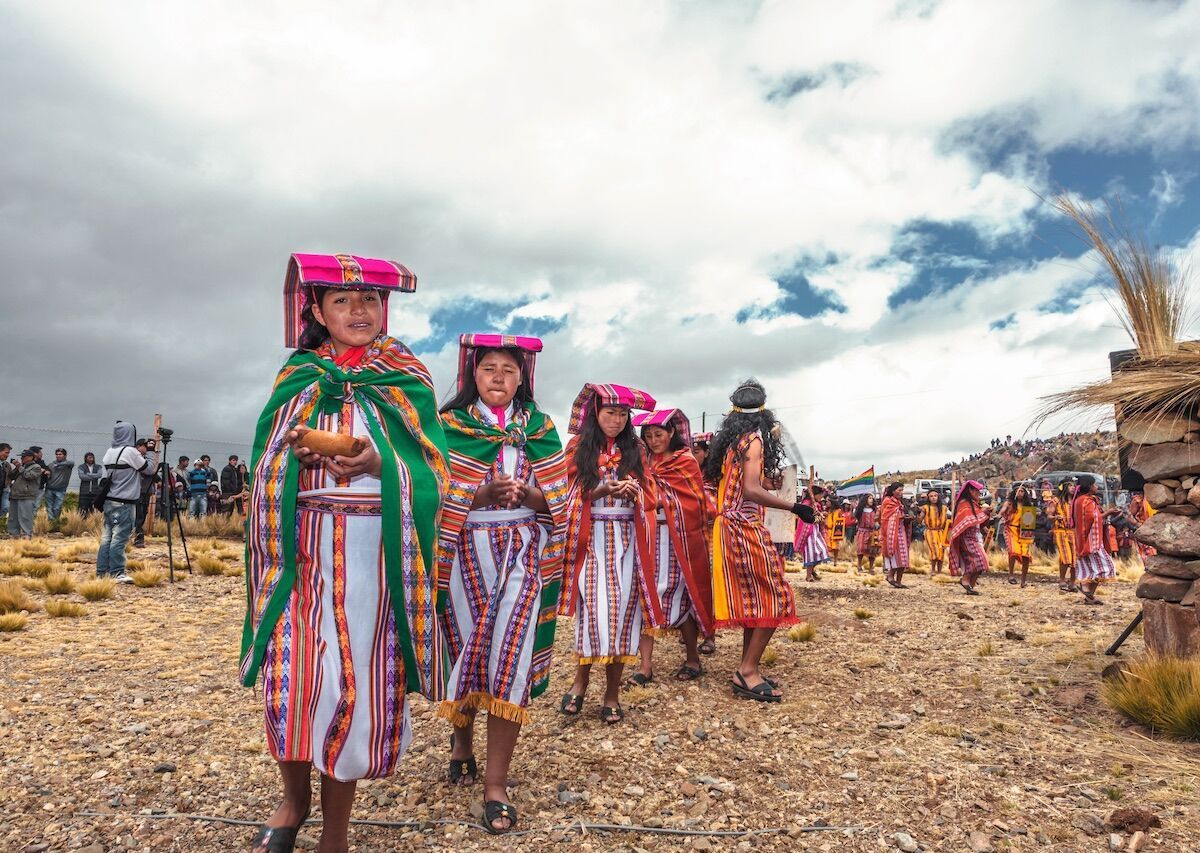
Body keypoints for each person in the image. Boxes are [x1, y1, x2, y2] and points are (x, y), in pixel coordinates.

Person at [242, 252, 448, 853]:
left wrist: (382, 464)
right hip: (300, 556)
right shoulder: (299, 376)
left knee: (347, 689)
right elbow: (265, 459)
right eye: (342, 301)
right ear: (316, 309)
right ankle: (294, 799)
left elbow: (433, 470)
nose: (359, 310)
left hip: (369, 561)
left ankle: (336, 833)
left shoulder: (406, 376)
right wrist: (292, 459)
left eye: (370, 301)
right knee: (296, 681)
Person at [436, 333, 568, 833]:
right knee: (469, 650)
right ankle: (462, 740)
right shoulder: (449, 427)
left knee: (508, 657)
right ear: (473, 374)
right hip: (466, 552)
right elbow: (431, 492)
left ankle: (496, 785)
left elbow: (563, 494)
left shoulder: (540, 427)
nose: (498, 376)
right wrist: (479, 494)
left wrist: (532, 498)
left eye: (508, 370)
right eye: (488, 367)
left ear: (522, 377)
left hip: (523, 552)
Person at [558, 382, 658, 725]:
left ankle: (612, 692)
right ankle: (580, 680)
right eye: (609, 412)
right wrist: (600, 489)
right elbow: (564, 496)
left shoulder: (637, 449)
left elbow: (652, 496)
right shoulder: (577, 447)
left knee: (624, 614)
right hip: (590, 539)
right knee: (592, 612)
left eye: (622, 413)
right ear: (594, 414)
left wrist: (635, 495)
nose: (616, 420)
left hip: (628, 540)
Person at [702, 380, 808, 703]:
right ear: (764, 413)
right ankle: (748, 671)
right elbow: (749, 490)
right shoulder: (755, 442)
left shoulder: (735, 441)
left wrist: (767, 482)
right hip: (743, 526)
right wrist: (793, 506)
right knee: (776, 598)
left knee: (757, 600)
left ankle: (747, 668)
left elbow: (746, 482)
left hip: (730, 525)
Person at [629, 408, 714, 685]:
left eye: (659, 434)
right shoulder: (641, 462)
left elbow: (695, 501)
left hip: (679, 542)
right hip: (649, 539)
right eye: (649, 435)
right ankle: (645, 666)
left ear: (671, 433)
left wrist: (655, 493)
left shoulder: (684, 461)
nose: (654, 440)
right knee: (646, 597)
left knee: (683, 597)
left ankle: (692, 658)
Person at [98, 423, 158, 582]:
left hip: (110, 500)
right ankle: (117, 573)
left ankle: (102, 572)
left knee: (107, 538)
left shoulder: (110, 452)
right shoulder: (130, 452)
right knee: (120, 537)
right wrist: (151, 451)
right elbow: (150, 469)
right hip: (124, 502)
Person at [1072, 475, 1116, 605]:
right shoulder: (1087, 501)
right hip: (1092, 541)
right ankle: (1085, 587)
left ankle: (1089, 596)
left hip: (1084, 539)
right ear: (1089, 487)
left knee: (1091, 568)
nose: (1097, 487)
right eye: (1095, 484)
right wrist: (1109, 513)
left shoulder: (1080, 500)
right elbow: (1094, 518)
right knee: (1106, 566)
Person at [949, 480, 991, 595]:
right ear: (970, 490)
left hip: (976, 535)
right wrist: (982, 512)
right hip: (967, 536)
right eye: (976, 490)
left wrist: (986, 514)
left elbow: (977, 520)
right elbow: (968, 519)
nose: (978, 492)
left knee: (980, 563)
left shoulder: (974, 503)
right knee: (981, 560)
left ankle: (970, 586)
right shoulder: (964, 503)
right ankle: (965, 580)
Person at [793, 482, 830, 582]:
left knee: (822, 550)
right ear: (814, 495)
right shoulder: (806, 504)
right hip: (808, 532)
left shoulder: (816, 504)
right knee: (811, 553)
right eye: (820, 495)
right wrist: (820, 515)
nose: (821, 497)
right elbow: (809, 518)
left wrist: (821, 514)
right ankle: (808, 575)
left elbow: (817, 517)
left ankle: (812, 571)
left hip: (815, 531)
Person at [1002, 485, 1036, 588]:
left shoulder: (1029, 506)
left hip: (1025, 532)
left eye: (1022, 491)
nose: (1020, 493)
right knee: (1013, 551)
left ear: (1025, 493)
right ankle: (1011, 575)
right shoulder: (1009, 503)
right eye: (1018, 491)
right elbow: (1002, 511)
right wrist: (1001, 514)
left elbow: (1030, 520)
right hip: (1011, 529)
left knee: (1025, 555)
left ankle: (1023, 581)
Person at [880, 482, 912, 588]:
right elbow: (885, 517)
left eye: (902, 490)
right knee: (895, 556)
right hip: (892, 533)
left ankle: (898, 581)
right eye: (899, 490)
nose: (901, 492)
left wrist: (907, 518)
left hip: (901, 531)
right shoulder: (887, 501)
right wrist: (901, 517)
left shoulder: (900, 502)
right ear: (893, 491)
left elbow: (899, 514)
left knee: (903, 557)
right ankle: (890, 576)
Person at [6, 449, 41, 537]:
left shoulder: (36, 467)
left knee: (25, 516)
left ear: (31, 457)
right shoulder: (22, 466)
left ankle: (27, 534)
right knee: (13, 517)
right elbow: (11, 476)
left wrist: (20, 467)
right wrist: (17, 467)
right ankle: (14, 534)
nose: (21, 458)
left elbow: (29, 476)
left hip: (27, 495)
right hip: (15, 495)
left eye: (24, 457)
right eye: (21, 457)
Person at [1051, 481, 1077, 593]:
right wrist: (1055, 516)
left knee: (1075, 559)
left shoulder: (1076, 501)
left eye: (1073, 486)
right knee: (1066, 557)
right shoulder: (1056, 501)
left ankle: (1072, 582)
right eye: (1070, 486)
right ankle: (1062, 580)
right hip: (1061, 531)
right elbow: (1049, 515)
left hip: (1074, 532)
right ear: (1064, 488)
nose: (1073, 488)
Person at [132, 439, 156, 546]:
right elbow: (149, 469)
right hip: (137, 490)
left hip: (146, 489)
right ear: (139, 446)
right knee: (138, 514)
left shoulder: (146, 458)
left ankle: (138, 534)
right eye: (145, 447)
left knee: (143, 513)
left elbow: (153, 470)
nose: (147, 449)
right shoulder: (135, 458)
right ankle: (138, 536)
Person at [921, 490, 950, 575]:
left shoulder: (944, 508)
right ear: (928, 498)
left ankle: (939, 571)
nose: (933, 498)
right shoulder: (926, 507)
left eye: (935, 496)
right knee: (935, 550)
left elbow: (948, 518)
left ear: (938, 497)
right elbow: (920, 519)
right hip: (930, 531)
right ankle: (933, 570)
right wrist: (919, 512)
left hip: (941, 532)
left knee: (941, 551)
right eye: (931, 496)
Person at [43, 448, 74, 522]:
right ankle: (52, 523)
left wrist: (58, 464)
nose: (58, 456)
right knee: (49, 507)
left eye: (60, 454)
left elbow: (72, 462)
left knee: (57, 508)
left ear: (65, 455)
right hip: (49, 488)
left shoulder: (68, 465)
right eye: (57, 454)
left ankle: (55, 522)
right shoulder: (51, 464)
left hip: (61, 490)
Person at [854, 494, 880, 574]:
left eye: (872, 498)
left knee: (872, 550)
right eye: (869, 498)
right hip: (862, 531)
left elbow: (877, 520)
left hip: (872, 532)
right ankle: (859, 566)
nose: (871, 500)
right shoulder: (860, 510)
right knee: (861, 549)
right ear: (865, 499)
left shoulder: (875, 510)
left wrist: (877, 523)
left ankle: (871, 568)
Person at [824, 498, 847, 565]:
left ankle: (835, 561)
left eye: (828, 502)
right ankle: (827, 559)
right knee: (827, 546)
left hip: (836, 531)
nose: (826, 503)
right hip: (828, 531)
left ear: (832, 502)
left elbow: (841, 520)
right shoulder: (827, 511)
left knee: (835, 547)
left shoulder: (839, 511)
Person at [0, 442, 12, 518]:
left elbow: (11, 476)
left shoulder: (7, 465)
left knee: (5, 508)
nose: (7, 455)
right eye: (6, 452)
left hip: (3, 490)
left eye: (8, 453)